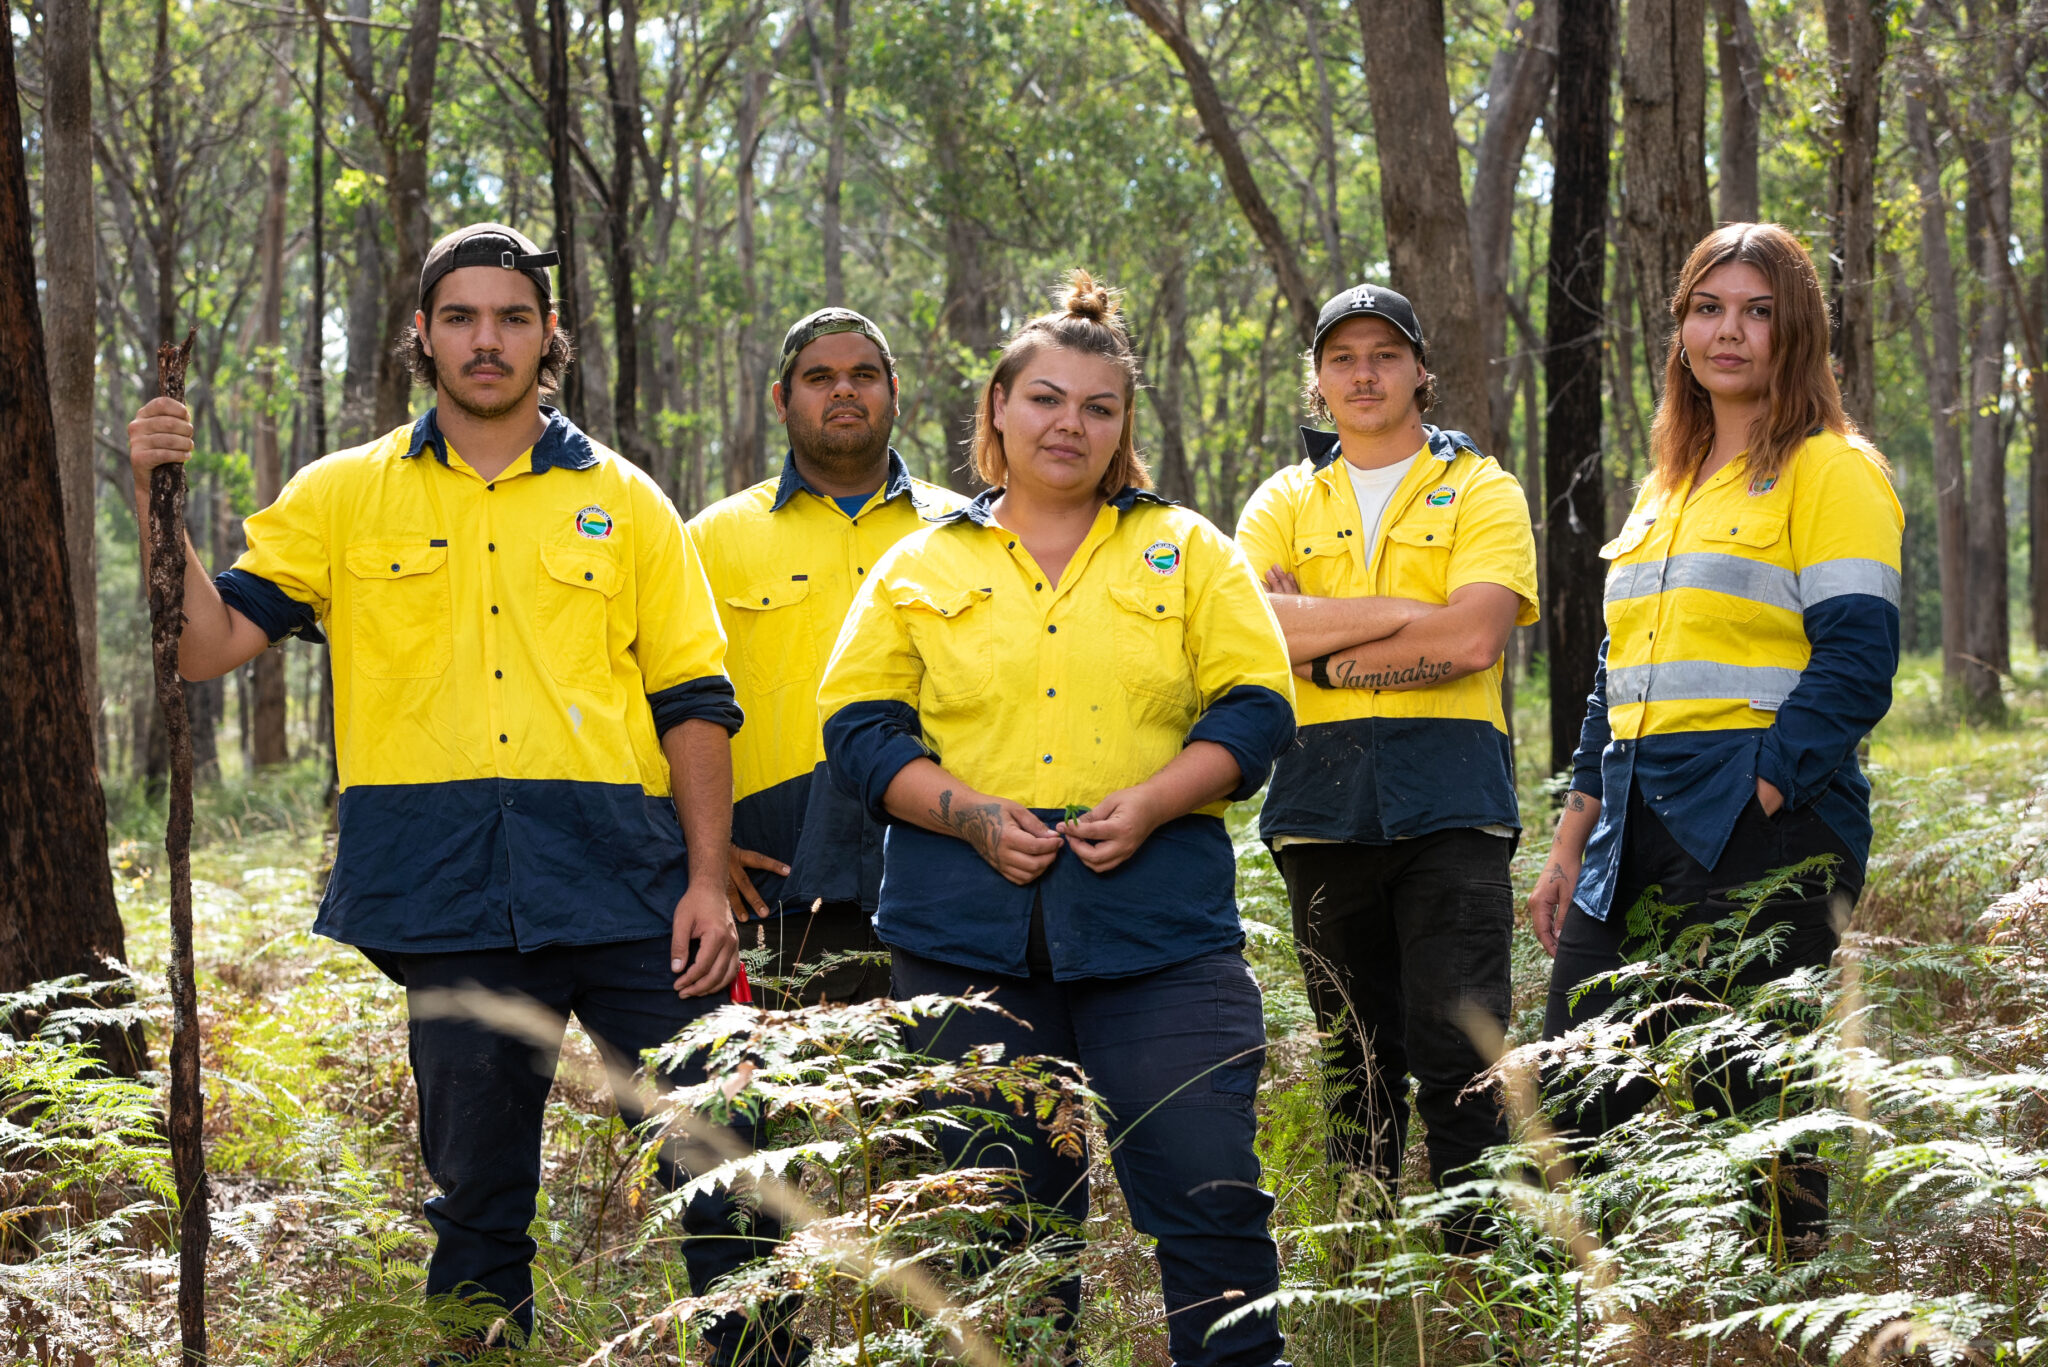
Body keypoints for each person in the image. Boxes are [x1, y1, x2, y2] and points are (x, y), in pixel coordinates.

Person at [126, 222, 801, 1364]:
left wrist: (702, 877)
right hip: (449, 895)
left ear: (550, 338)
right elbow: (204, 646)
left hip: (629, 884)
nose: (485, 341)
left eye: (511, 317)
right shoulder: (345, 494)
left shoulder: (627, 501)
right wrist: (157, 495)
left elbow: (694, 699)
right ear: (423, 338)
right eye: (460, 318)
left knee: (728, 1169)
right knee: (478, 1207)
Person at [818, 272, 1298, 1367]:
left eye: (1097, 405)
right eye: (1043, 398)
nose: (1067, 424)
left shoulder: (1187, 549)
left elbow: (1258, 706)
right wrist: (971, 813)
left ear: (1125, 423)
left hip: (1162, 943)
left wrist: (1159, 795)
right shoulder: (922, 562)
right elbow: (857, 731)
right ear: (996, 407)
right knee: (997, 1246)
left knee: (1212, 1213)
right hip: (961, 947)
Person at [1526, 221, 1903, 1252]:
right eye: (1706, 307)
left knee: (1760, 1115)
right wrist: (1571, 838)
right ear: (1679, 329)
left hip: (1759, 825)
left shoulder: (1832, 470)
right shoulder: (1663, 487)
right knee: (1574, 1103)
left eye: (1756, 310)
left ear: (1796, 333)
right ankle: (1598, 1325)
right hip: (1629, 828)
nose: (1727, 331)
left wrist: (1762, 791)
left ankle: (1779, 1323)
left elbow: (1856, 662)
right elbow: (1618, 680)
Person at [1233, 283, 1538, 1248]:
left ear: (1420, 370)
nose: (1364, 374)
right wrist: (1415, 615)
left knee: (1460, 1050)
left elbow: (1478, 636)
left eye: (1384, 354)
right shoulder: (1282, 499)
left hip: (1453, 799)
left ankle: (1471, 1271)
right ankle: (1367, 1271)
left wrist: (1323, 649)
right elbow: (1253, 628)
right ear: (1318, 381)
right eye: (1342, 358)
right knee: (1353, 1058)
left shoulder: (1482, 486)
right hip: (1320, 802)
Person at [688, 308, 963, 1006]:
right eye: (819, 377)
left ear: (895, 393)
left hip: (953, 876)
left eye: (863, 375)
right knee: (791, 1110)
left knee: (953, 1105)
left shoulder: (970, 530)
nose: (844, 390)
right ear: (782, 400)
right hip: (781, 891)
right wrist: (699, 855)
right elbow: (658, 702)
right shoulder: (710, 541)